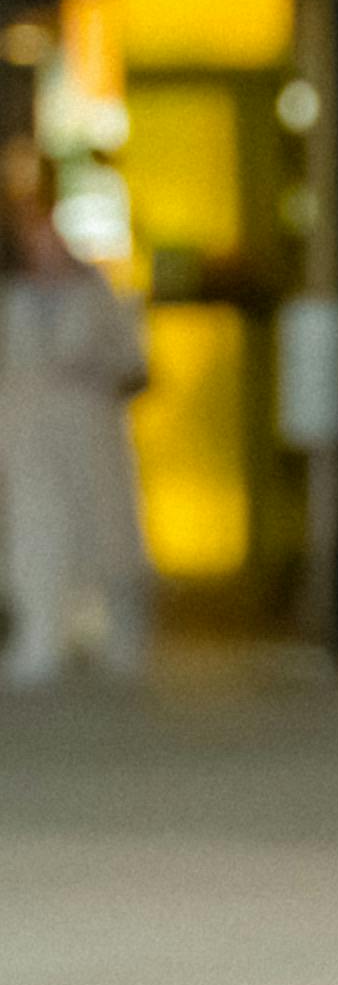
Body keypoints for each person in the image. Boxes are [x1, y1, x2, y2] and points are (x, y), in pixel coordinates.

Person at [0, 133, 152, 691]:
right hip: (30, 436)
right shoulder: (14, 300)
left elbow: (133, 363)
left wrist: (91, 372)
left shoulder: (96, 294)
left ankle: (118, 639)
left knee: (107, 537)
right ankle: (39, 639)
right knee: (37, 539)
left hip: (89, 431)